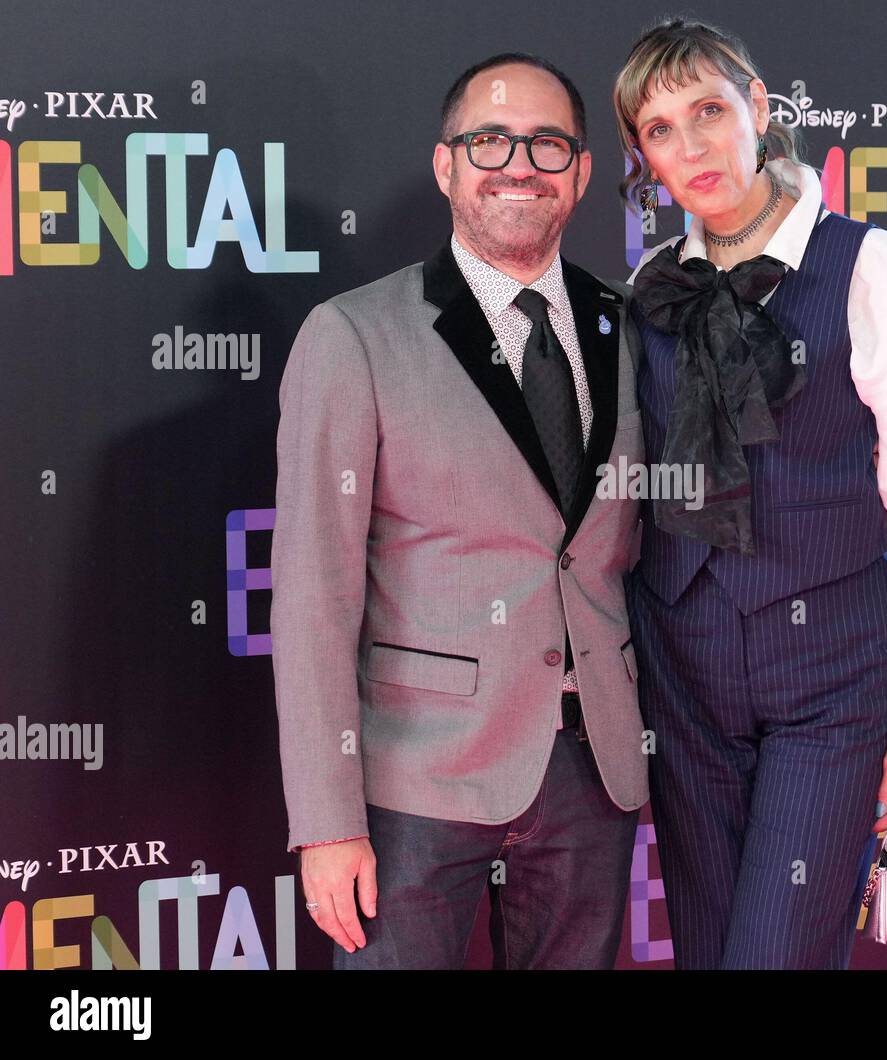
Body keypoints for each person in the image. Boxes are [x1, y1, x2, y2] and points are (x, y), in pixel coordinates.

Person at [271, 52, 649, 969]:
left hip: (592, 770)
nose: (518, 164)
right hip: (412, 780)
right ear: (447, 165)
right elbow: (314, 596)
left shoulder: (631, 325)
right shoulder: (354, 335)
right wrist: (326, 821)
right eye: (490, 140)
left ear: (583, 173)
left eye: (547, 144)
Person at [612, 18, 887, 969]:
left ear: (759, 111)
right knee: (706, 953)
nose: (689, 147)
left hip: (836, 678)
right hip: (683, 674)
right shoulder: (651, 287)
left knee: (775, 955)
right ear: (641, 155)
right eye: (658, 130)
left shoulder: (872, 268)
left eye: (708, 112)